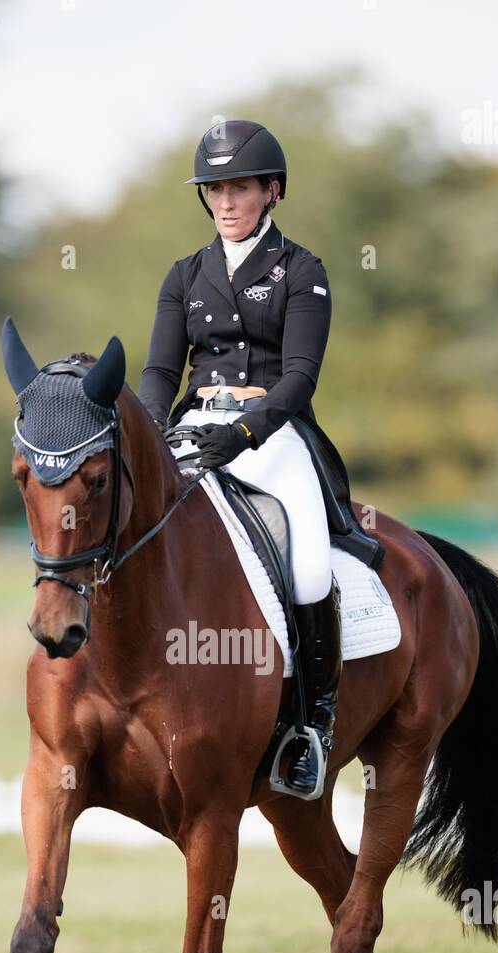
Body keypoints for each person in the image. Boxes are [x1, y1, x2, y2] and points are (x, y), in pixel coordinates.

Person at [139, 118, 347, 795]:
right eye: (214, 190)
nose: (225, 202)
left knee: (310, 567)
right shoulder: (184, 275)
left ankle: (312, 726)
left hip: (272, 436)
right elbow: (160, 373)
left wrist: (248, 430)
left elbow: (299, 378)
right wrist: (148, 430)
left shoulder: (301, 270)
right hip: (195, 430)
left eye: (239, 188)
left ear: (271, 192)